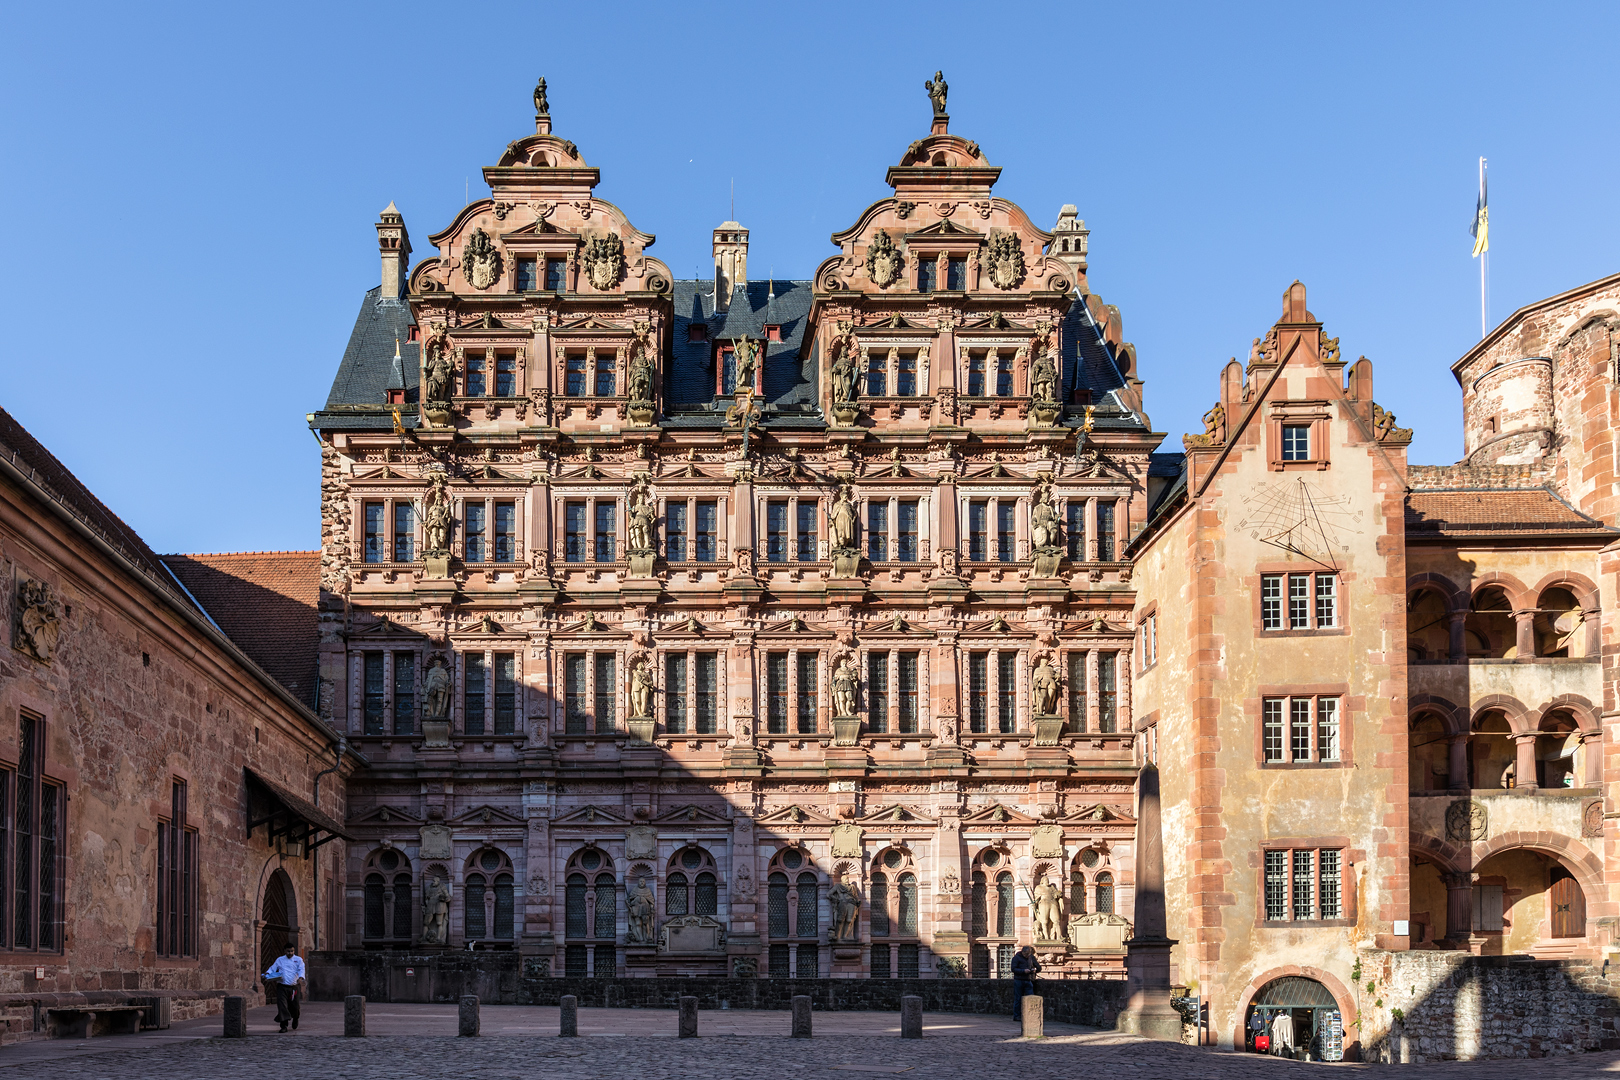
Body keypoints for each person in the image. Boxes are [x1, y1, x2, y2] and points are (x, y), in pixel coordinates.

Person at [263, 943, 306, 1033]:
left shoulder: (298, 959)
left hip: (294, 987)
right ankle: (284, 1025)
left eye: (292, 951)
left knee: (295, 1006)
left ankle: (295, 1018)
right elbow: (273, 968)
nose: (290, 953)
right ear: (284, 951)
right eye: (288, 951)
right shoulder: (280, 960)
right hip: (282, 986)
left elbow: (301, 969)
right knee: (282, 1005)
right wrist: (268, 973)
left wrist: (301, 978)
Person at [1010, 945, 1040, 1019]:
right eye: (1026, 954)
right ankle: (1017, 1016)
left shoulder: (1031, 957)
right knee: (1018, 999)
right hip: (1019, 980)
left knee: (1031, 998)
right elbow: (1013, 969)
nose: (1027, 956)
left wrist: (1035, 970)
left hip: (1028, 980)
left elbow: (1038, 967)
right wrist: (1023, 971)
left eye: (1028, 954)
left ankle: (1031, 1015)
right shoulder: (1016, 958)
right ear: (1022, 952)